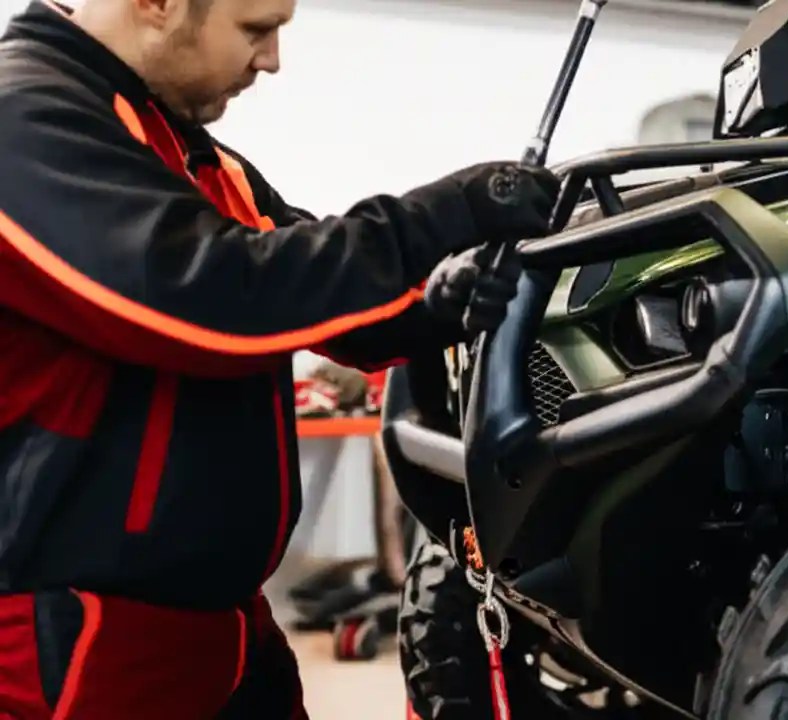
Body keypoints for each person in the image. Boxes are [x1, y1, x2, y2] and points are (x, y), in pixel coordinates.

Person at [0, 0, 560, 717]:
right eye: (256, 28)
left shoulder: (190, 153)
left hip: (226, 632)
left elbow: (304, 287)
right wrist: (450, 212)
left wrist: (434, 305)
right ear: (158, 5)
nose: (270, 60)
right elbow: (207, 294)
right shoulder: (25, 119)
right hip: (80, 650)